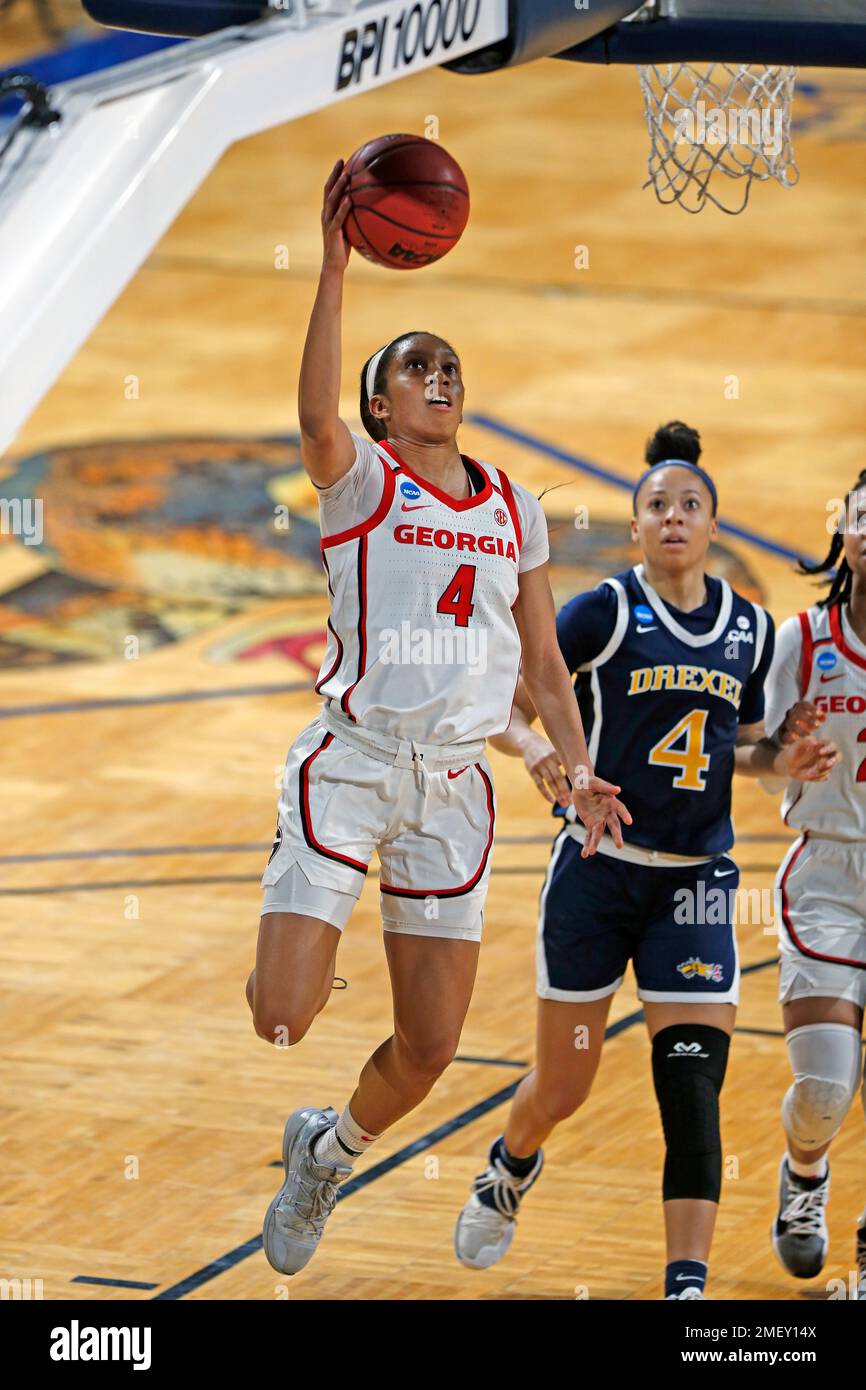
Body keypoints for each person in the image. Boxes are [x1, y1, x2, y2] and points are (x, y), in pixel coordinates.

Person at [246, 160, 631, 1278]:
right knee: (282, 1017)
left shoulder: (511, 502)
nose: (439, 373)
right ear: (382, 405)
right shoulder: (360, 479)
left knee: (429, 1046)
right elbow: (313, 408)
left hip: (454, 786)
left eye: (449, 362)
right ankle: (298, 900)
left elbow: (545, 664)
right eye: (415, 365)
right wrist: (331, 266)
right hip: (354, 760)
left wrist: (573, 761)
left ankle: (326, 1151)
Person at [453, 421, 836, 1299]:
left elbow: (739, 748)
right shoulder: (604, 612)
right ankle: (510, 1165)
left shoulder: (749, 630)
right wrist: (538, 753)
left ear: (713, 527)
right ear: (636, 528)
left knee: (692, 1093)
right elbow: (509, 698)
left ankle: (686, 1290)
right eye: (657, 505)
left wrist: (782, 759)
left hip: (696, 888)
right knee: (563, 1085)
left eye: (690, 505)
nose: (674, 517)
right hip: (597, 873)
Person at [763, 469, 865, 1297]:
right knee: (825, 1086)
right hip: (826, 876)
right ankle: (804, 1175)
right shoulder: (804, 638)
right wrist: (780, 757)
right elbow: (755, 760)